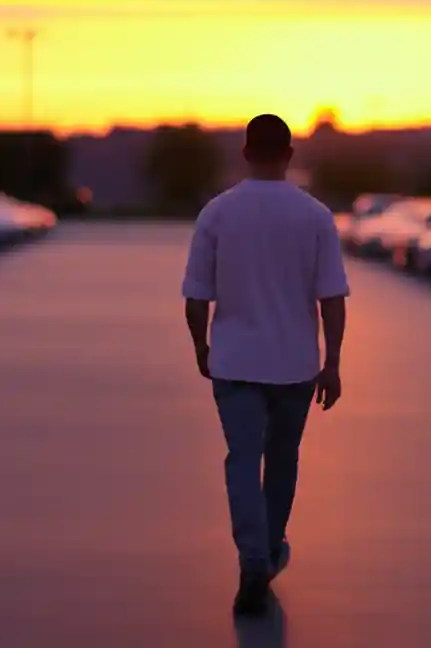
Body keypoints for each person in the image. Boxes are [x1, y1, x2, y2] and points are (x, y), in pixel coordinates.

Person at [182, 114, 349, 616]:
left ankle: (254, 560)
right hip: (295, 364)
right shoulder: (315, 215)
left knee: (241, 459)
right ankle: (269, 551)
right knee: (281, 461)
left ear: (246, 153)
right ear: (290, 155)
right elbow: (332, 298)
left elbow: (195, 297)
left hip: (234, 362)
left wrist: (200, 348)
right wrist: (333, 362)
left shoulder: (217, 213)